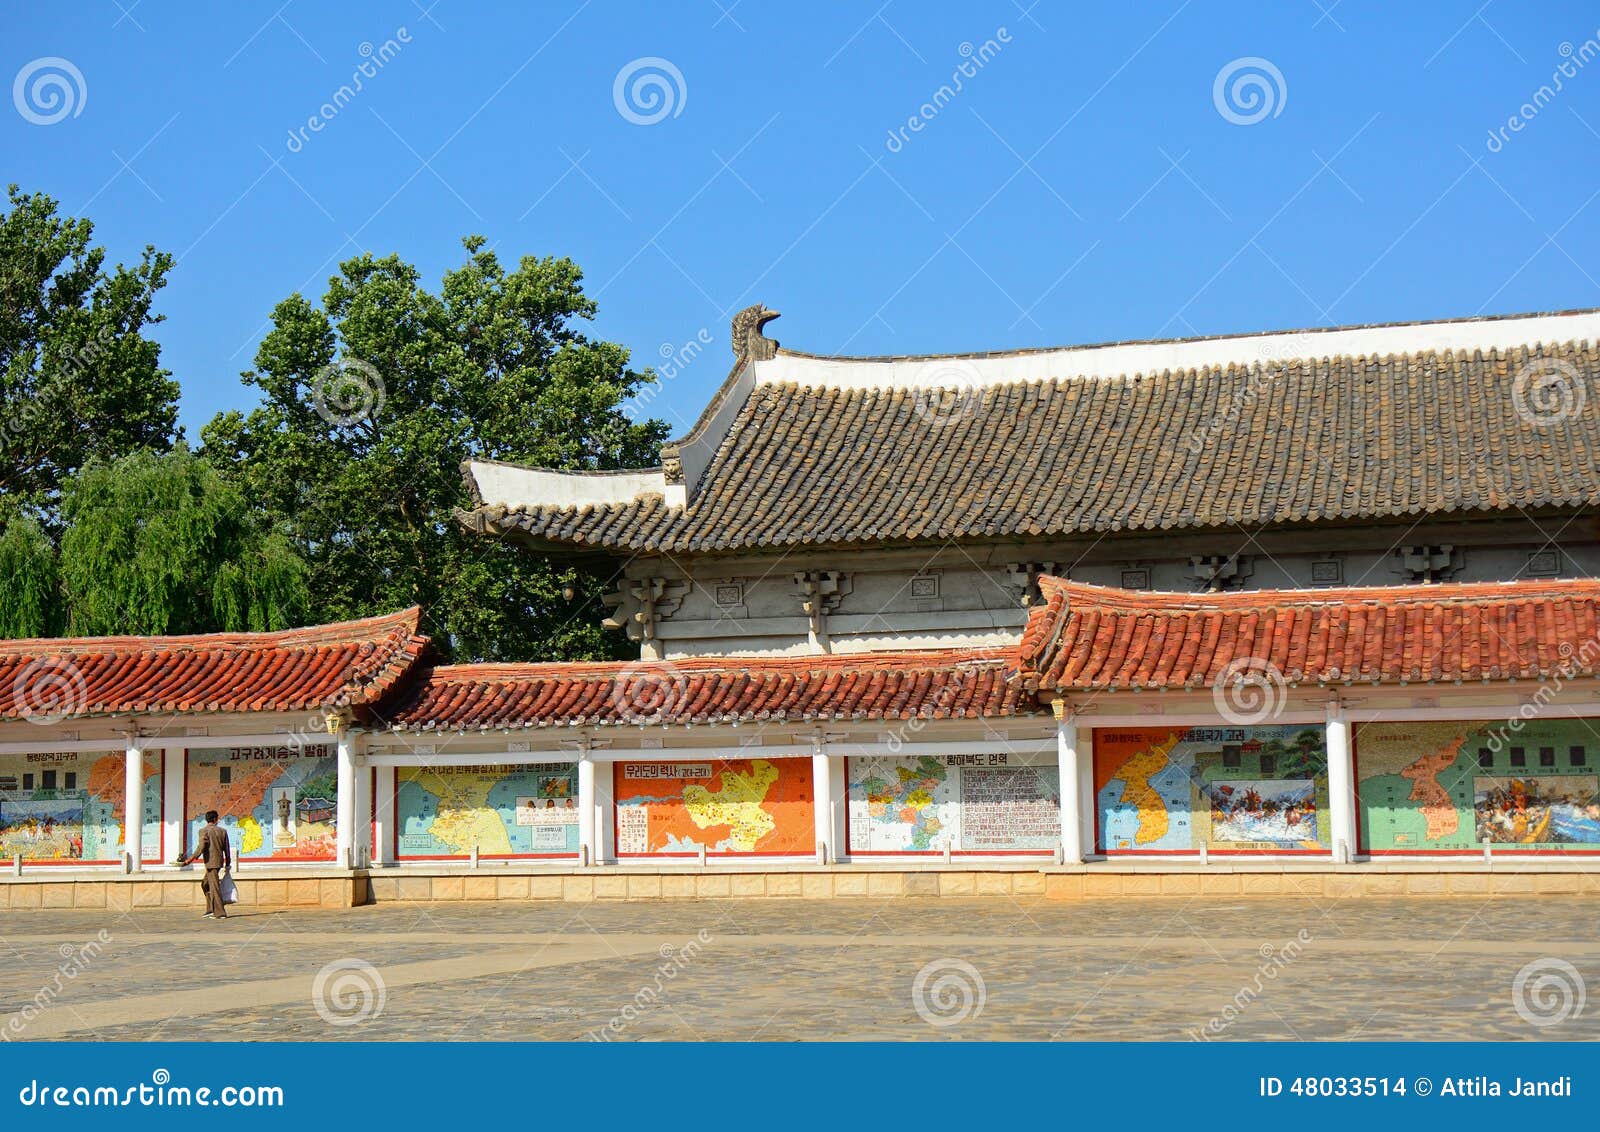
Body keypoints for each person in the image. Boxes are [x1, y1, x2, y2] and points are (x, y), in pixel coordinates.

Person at [185, 811, 233, 920]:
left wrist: (191, 859)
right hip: (218, 862)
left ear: (207, 820)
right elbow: (227, 849)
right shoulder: (222, 831)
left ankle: (220, 913)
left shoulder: (203, 831)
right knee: (205, 884)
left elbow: (201, 847)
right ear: (216, 819)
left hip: (211, 863)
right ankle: (210, 909)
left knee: (214, 887)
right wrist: (228, 863)